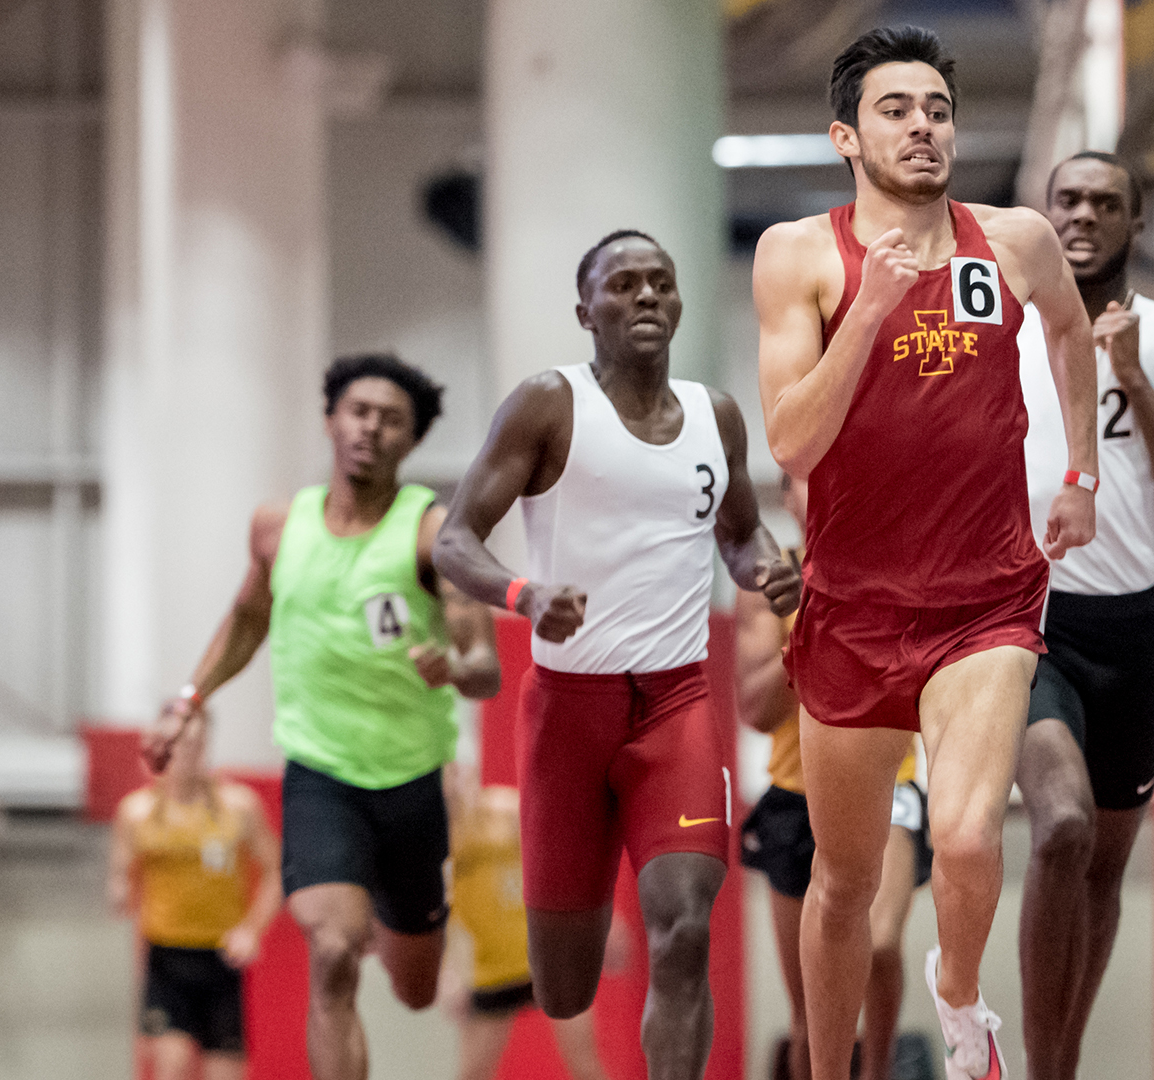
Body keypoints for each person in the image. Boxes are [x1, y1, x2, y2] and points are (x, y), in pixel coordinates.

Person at [752, 25, 1100, 1080]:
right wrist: (871, 311)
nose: (923, 127)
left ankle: (958, 1000)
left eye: (938, 110)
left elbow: (1074, 336)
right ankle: (827, 1068)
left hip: (985, 598)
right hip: (851, 606)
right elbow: (793, 441)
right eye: (897, 110)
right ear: (846, 135)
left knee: (960, 838)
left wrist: (1080, 474)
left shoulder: (1017, 239)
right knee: (846, 886)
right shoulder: (799, 255)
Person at [434, 229, 801, 1080]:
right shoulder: (548, 405)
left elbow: (741, 538)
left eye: (660, 283)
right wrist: (525, 598)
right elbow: (456, 541)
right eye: (623, 284)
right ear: (584, 310)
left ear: (679, 303)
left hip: (675, 707)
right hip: (568, 713)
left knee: (683, 927)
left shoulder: (717, 415)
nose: (644, 296)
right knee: (562, 987)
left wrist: (768, 571)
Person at [141, 353, 503, 1080]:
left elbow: (484, 666)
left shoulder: (433, 534)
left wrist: (454, 667)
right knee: (333, 950)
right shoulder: (279, 527)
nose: (371, 428)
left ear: (411, 440)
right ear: (332, 421)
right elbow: (246, 620)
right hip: (321, 774)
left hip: (411, 783)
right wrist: (189, 700)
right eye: (359, 412)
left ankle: (409, 925)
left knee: (414, 986)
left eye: (391, 419)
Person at [1013, 151, 1154, 1080]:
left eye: (1107, 203)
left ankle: (1059, 1065)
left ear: (1134, 225)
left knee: (1102, 868)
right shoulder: (996, 330)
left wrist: (1132, 383)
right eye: (1068, 199)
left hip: (1131, 629)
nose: (1083, 215)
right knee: (1059, 826)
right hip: (1020, 621)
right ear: (1044, 210)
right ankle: (1039, 1071)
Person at [736, 474, 933, 1080]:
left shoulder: (894, 572)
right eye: (804, 486)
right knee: (811, 1014)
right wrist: (808, 630)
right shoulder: (768, 584)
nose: (820, 496)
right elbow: (754, 708)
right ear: (787, 502)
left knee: (877, 943)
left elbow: (911, 683)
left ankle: (877, 1071)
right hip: (794, 800)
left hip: (885, 785)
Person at [109, 707, 281, 1080]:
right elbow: (120, 875)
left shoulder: (239, 806)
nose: (186, 752)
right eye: (177, 744)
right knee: (173, 1066)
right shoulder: (137, 812)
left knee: (226, 1072)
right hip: (167, 958)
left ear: (206, 744)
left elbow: (274, 872)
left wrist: (252, 929)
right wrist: (120, 890)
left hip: (220, 960)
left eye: (194, 742)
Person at [441, 762, 610, 1080]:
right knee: (473, 1074)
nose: (451, 789)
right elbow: (439, 917)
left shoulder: (504, 810)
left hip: (549, 957)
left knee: (585, 1064)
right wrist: (448, 975)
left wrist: (600, 917)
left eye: (455, 778)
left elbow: (563, 846)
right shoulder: (436, 844)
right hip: (493, 968)